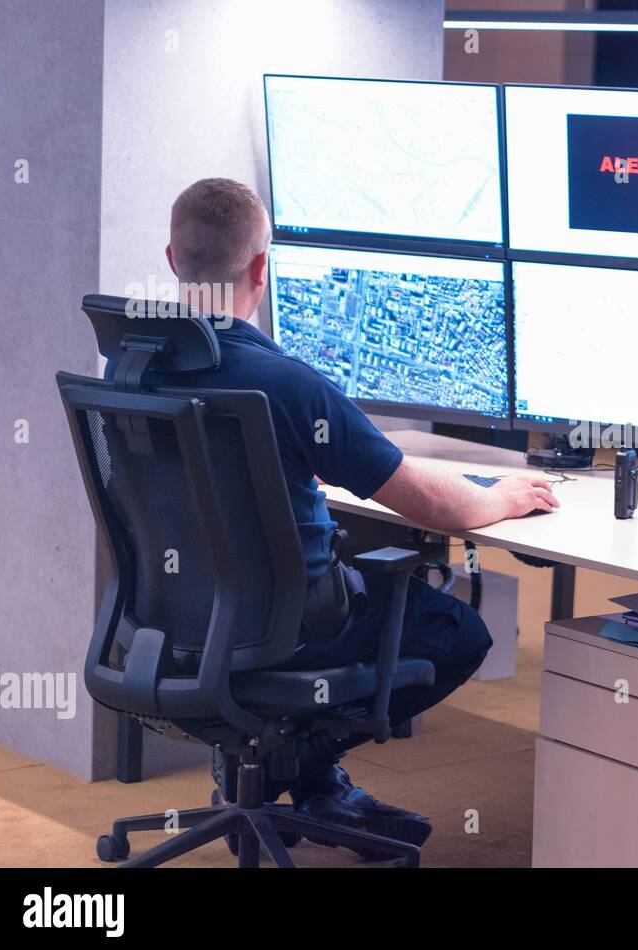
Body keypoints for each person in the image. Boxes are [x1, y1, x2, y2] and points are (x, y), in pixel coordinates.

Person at [137, 178, 561, 845]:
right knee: (456, 630)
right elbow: (427, 502)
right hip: (291, 629)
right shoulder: (288, 384)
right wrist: (502, 497)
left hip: (167, 623)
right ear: (260, 267)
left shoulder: (128, 369)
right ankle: (302, 760)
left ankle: (306, 776)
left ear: (170, 258)